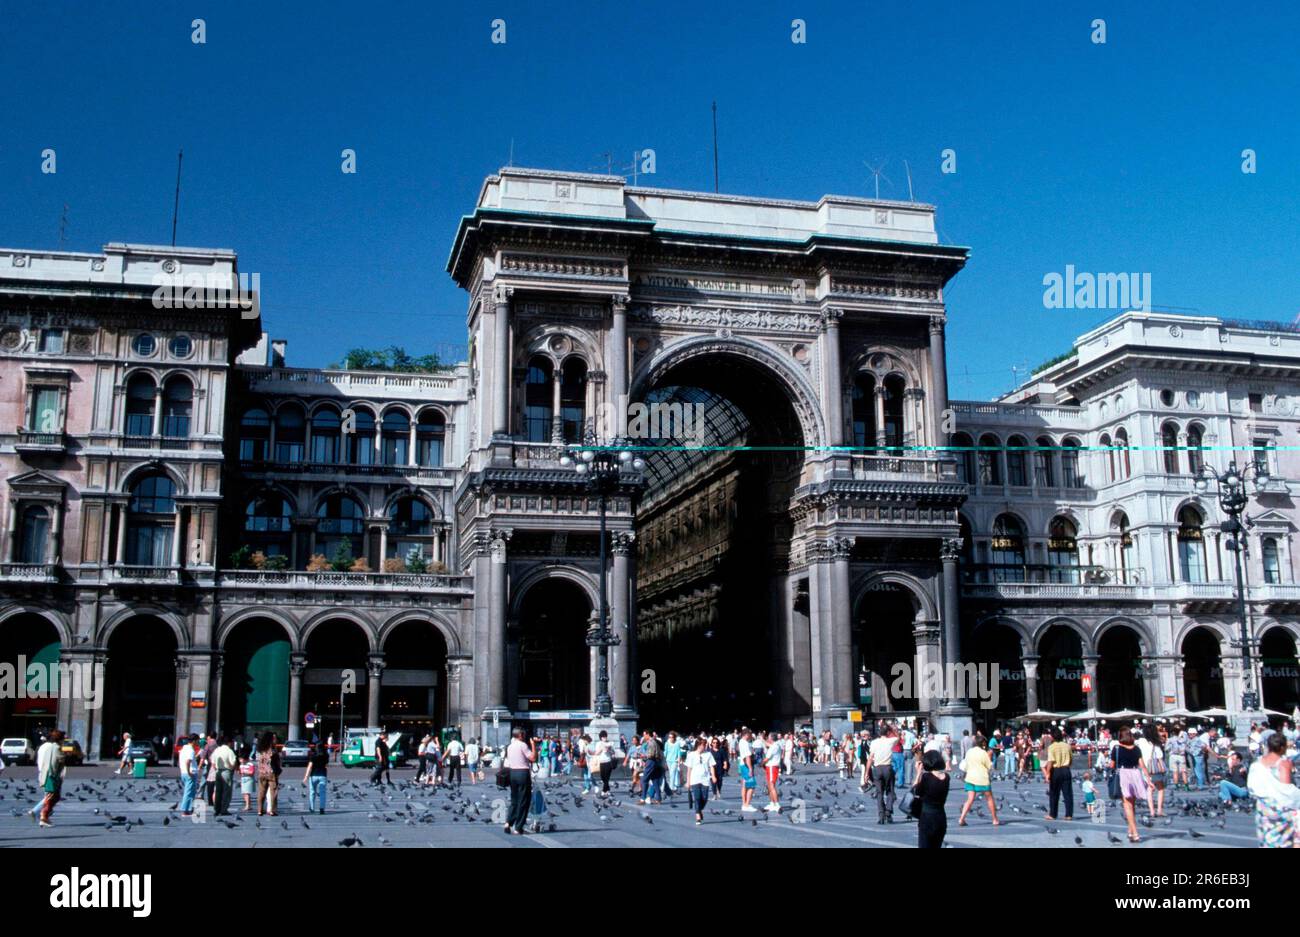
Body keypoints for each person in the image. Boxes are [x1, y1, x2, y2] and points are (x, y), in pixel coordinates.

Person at [1248, 731, 1300, 847]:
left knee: (1268, 840)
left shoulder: (1256, 763)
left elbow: (1252, 786)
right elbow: (1286, 790)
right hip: (1279, 808)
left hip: (1263, 807)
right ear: (1281, 747)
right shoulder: (1283, 763)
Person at [1113, 726, 1150, 843]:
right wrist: (1148, 780)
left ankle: (1135, 833)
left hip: (1124, 775)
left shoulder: (1117, 748)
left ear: (1120, 737)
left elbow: (1112, 765)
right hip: (1136, 775)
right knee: (1132, 805)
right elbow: (1142, 766)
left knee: (1127, 806)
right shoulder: (1136, 749)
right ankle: (1130, 831)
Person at [957, 734, 999, 827]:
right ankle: (994, 819)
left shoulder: (969, 752)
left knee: (970, 799)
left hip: (970, 778)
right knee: (989, 798)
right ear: (983, 743)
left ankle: (961, 818)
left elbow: (966, 765)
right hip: (982, 778)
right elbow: (989, 766)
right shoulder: (983, 753)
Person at [914, 749, 950, 848]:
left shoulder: (926, 777)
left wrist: (918, 773)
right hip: (941, 817)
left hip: (927, 817)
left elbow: (916, 791)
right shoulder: (946, 778)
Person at [503, 728, 536, 835]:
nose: (525, 735)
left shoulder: (510, 746)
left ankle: (508, 822)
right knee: (523, 800)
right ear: (520, 735)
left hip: (513, 773)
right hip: (522, 773)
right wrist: (533, 745)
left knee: (514, 800)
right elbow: (533, 758)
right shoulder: (523, 745)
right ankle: (518, 827)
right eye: (524, 734)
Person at [32, 729, 66, 828]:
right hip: (51, 776)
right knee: (50, 796)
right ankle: (43, 816)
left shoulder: (49, 747)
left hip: (48, 774)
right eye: (63, 738)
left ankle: (43, 816)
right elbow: (61, 758)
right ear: (60, 739)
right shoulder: (56, 748)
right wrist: (67, 755)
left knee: (54, 796)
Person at [868, 726, 898, 824]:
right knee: (890, 791)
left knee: (879, 793)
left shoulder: (874, 742)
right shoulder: (890, 741)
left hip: (877, 768)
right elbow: (898, 737)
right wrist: (892, 729)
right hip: (887, 768)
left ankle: (881, 815)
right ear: (888, 733)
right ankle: (888, 811)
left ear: (879, 733)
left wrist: (866, 773)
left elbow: (871, 758)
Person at [684, 736, 717, 825]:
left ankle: (699, 809)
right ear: (698, 745)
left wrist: (713, 776)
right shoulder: (691, 754)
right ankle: (697, 814)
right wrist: (688, 781)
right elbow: (689, 769)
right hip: (695, 779)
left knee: (705, 798)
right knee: (697, 797)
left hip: (705, 779)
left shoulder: (708, 754)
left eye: (705, 744)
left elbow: (712, 766)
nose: (705, 746)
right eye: (703, 745)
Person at [1044, 727, 1074, 821]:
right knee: (1068, 793)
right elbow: (1071, 760)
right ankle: (1068, 815)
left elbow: (1051, 761)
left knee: (1054, 793)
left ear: (1053, 737)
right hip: (1066, 770)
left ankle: (1053, 814)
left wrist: (1047, 773)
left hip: (1056, 771)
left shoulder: (1051, 747)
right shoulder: (1067, 746)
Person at [255, 731, 281, 817]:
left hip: (262, 772)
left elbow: (258, 759)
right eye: (274, 738)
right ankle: (272, 810)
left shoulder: (260, 749)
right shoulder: (272, 749)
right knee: (273, 791)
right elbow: (276, 761)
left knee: (261, 791)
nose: (275, 740)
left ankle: (259, 810)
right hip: (271, 773)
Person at [210, 735, 238, 816]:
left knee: (218, 791)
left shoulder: (217, 750)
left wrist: (217, 769)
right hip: (226, 772)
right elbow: (233, 763)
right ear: (229, 742)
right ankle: (224, 809)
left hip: (218, 772)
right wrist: (231, 768)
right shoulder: (229, 751)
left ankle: (217, 809)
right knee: (226, 791)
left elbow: (213, 762)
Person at [304, 737, 329, 814]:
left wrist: (306, 777)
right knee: (322, 793)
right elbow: (326, 764)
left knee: (312, 792)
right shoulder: (326, 755)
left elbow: (310, 766)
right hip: (322, 775)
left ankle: (312, 808)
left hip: (313, 775)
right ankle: (322, 809)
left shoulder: (313, 755)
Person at [737, 728, 758, 813]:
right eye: (750, 735)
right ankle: (747, 805)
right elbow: (747, 757)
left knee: (745, 785)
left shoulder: (741, 742)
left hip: (742, 764)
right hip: (746, 766)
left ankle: (744, 803)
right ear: (746, 735)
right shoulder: (745, 743)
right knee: (751, 786)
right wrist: (750, 769)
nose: (750, 736)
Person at [178, 735, 200, 816]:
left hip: (183, 773)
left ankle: (189, 809)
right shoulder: (191, 750)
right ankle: (185, 810)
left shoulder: (183, 749)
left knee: (191, 792)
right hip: (190, 773)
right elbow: (188, 762)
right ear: (194, 741)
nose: (198, 742)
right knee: (188, 792)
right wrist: (189, 772)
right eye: (198, 740)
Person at [763, 731, 783, 812]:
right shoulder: (776, 745)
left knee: (771, 786)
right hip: (771, 767)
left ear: (771, 738)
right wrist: (762, 740)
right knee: (770, 786)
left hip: (772, 767)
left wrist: (761, 763)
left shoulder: (773, 747)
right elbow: (768, 744)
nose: (767, 738)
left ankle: (777, 804)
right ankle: (772, 803)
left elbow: (767, 758)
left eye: (768, 737)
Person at [590, 730, 615, 794]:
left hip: (608, 762)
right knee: (603, 777)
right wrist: (601, 749)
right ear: (600, 737)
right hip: (601, 762)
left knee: (607, 777)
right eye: (603, 737)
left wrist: (609, 750)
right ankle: (608, 789)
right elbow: (596, 753)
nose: (604, 738)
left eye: (605, 737)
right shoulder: (598, 743)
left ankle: (604, 791)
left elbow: (613, 753)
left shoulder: (609, 743)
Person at [663, 731, 683, 797]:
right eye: (670, 737)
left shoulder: (677, 744)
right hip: (668, 760)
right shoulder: (667, 743)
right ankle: (674, 787)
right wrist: (664, 760)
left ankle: (671, 789)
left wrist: (679, 760)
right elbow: (665, 752)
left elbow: (679, 752)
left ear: (674, 738)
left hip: (675, 761)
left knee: (672, 774)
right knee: (670, 774)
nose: (671, 738)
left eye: (672, 737)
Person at [238, 744, 256, 811]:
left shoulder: (250, 764)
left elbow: (252, 772)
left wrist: (244, 772)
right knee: (244, 793)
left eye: (241, 759)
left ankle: (247, 805)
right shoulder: (241, 765)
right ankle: (248, 804)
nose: (240, 760)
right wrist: (240, 773)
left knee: (247, 793)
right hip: (243, 779)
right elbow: (240, 772)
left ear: (245, 759)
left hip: (249, 779)